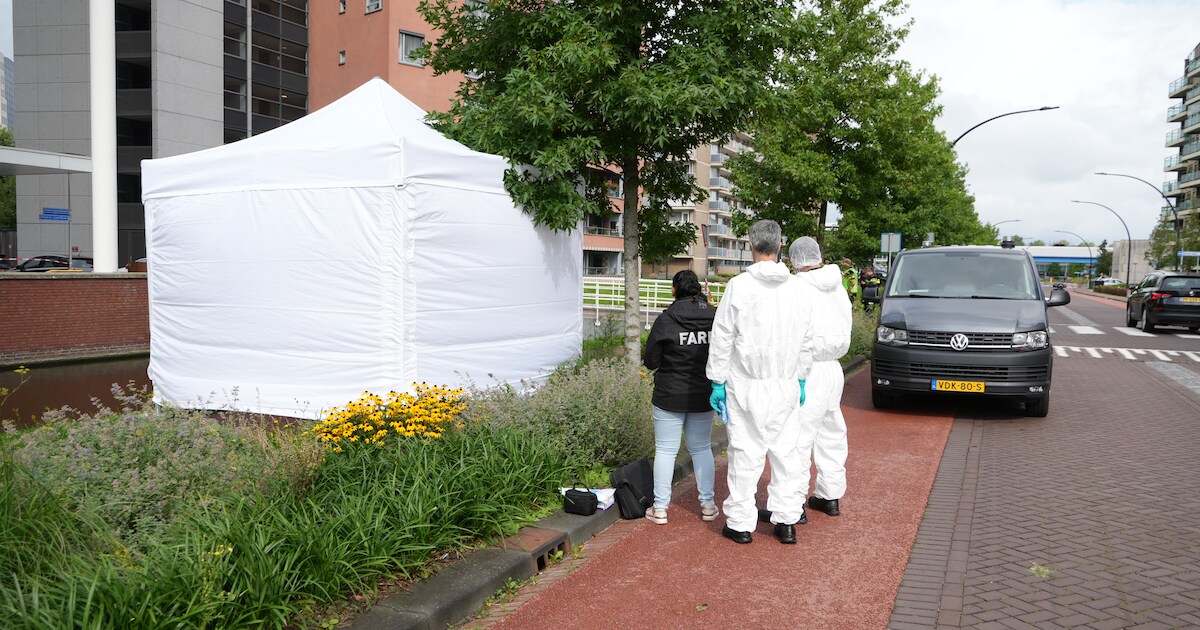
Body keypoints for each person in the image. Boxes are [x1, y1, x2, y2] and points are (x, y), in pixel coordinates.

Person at [707, 220, 814, 545]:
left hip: (746, 385)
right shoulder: (798, 289)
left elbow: (722, 337)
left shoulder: (739, 286)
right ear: (780, 246)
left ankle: (741, 523)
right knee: (787, 455)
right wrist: (801, 378)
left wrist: (717, 381)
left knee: (745, 453)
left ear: (751, 246)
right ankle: (787, 520)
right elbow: (806, 339)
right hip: (785, 383)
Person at [641, 270, 719, 525]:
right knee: (702, 448)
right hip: (703, 393)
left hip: (669, 395)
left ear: (674, 290)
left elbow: (651, 361)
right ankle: (708, 505)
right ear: (698, 289)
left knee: (665, 450)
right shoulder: (714, 317)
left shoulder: (666, 320)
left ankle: (660, 509)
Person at [789, 237, 853, 519]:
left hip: (808, 367)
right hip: (834, 367)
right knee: (832, 431)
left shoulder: (797, 287)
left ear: (795, 260)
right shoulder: (837, 285)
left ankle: (793, 503)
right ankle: (830, 495)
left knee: (799, 436)